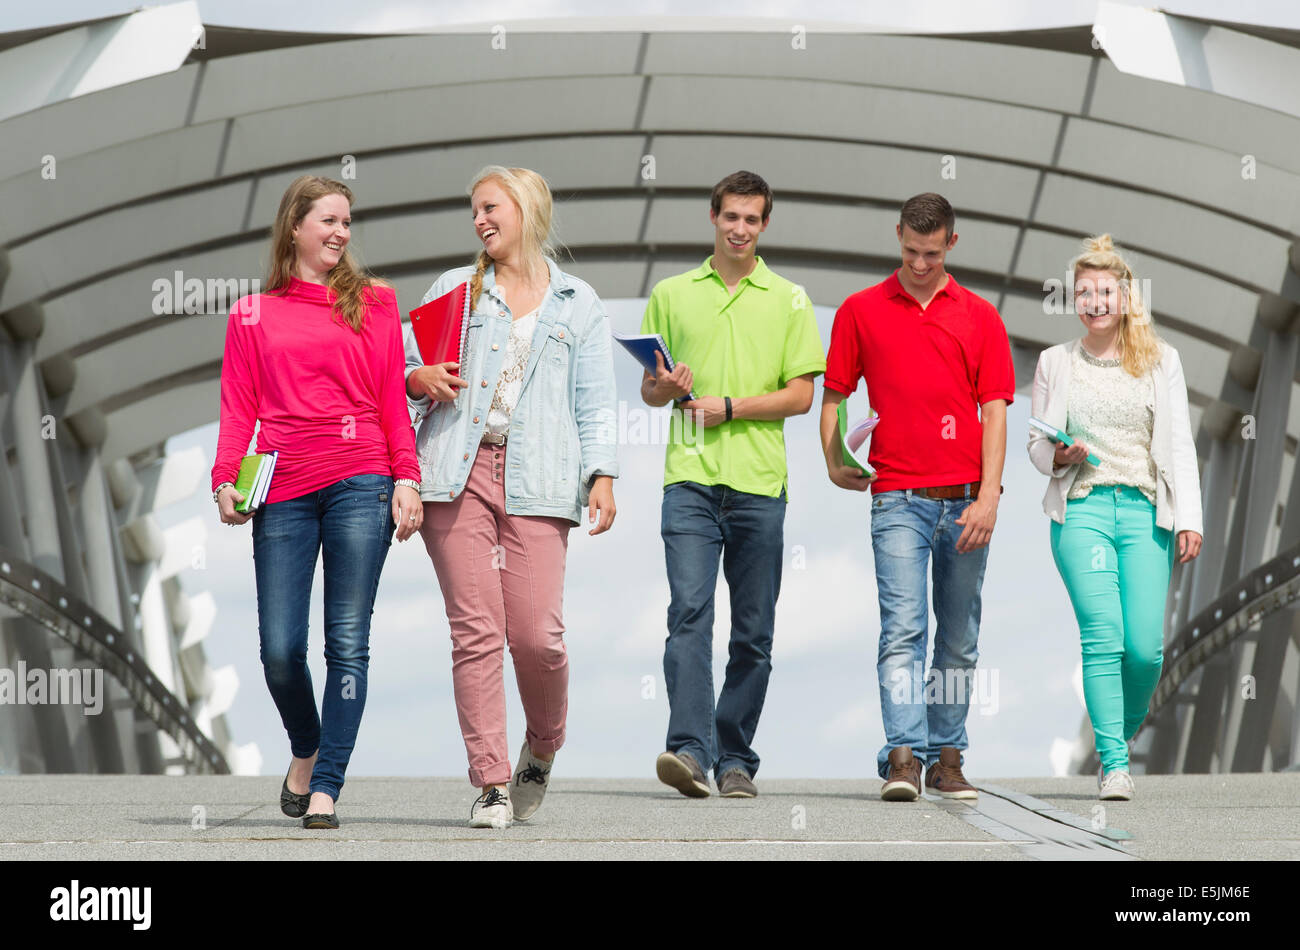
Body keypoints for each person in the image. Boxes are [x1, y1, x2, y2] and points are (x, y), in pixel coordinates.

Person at [406, 165, 618, 829]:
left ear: (525, 210)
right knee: (476, 634)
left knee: (538, 639)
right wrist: (420, 377)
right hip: (456, 475)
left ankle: (543, 745)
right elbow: (401, 374)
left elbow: (594, 399)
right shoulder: (454, 290)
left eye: (490, 207)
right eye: (474, 211)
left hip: (542, 480)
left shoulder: (578, 303)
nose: (480, 220)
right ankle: (492, 782)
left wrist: (603, 474)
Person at [212, 175, 422, 829]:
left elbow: (392, 398)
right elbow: (238, 406)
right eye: (328, 220)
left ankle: (326, 785)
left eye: (346, 223)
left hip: (362, 479)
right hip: (282, 488)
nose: (339, 233)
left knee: (348, 642)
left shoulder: (378, 304)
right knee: (279, 649)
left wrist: (408, 477)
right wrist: (225, 478)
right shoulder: (252, 313)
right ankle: (306, 745)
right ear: (295, 227)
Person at [820, 192, 1014, 803]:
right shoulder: (860, 310)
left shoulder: (981, 317)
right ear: (897, 235)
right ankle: (903, 757)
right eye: (910, 250)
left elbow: (995, 411)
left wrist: (988, 498)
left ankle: (948, 757)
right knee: (903, 629)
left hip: (965, 502)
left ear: (951, 243)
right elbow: (835, 396)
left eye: (932, 253)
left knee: (958, 636)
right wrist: (833, 460)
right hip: (896, 499)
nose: (921, 263)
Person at [641, 170, 825, 799]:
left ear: (764, 225)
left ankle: (736, 757)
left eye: (752, 219)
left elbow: (802, 395)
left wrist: (729, 406)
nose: (740, 229)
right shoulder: (670, 293)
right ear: (712, 218)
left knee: (753, 630)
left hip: (758, 485)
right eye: (731, 218)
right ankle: (690, 751)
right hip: (688, 481)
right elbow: (651, 388)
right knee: (688, 615)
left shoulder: (790, 299)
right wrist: (666, 388)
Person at [1029, 234, 1203, 801]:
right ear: (1073, 300)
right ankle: (1115, 763)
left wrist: (1189, 519)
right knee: (1103, 636)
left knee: (1146, 649)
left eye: (1105, 290)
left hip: (1145, 512)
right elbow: (1036, 445)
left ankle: (1118, 734)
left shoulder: (1161, 361)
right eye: (1084, 292)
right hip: (1082, 510)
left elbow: (1179, 445)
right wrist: (1059, 455)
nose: (1095, 301)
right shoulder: (1055, 363)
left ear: (1126, 297)